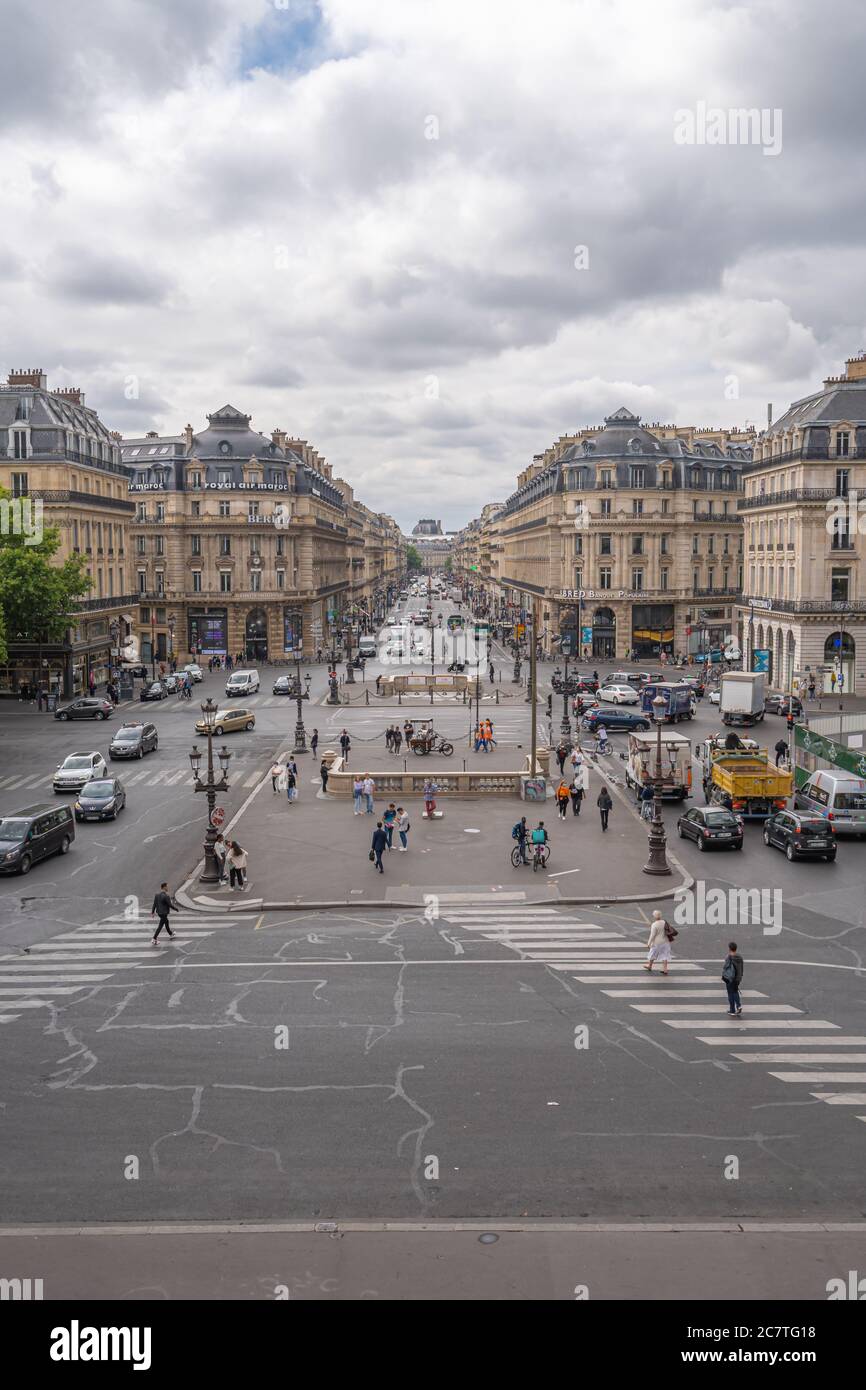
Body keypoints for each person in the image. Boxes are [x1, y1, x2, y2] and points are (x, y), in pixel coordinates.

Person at [643, 909, 673, 975]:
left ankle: (649, 966)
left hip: (657, 942)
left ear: (654, 916)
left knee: (652, 953)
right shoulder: (664, 922)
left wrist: (648, 943)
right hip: (665, 941)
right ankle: (665, 969)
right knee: (665, 955)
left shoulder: (654, 924)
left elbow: (652, 935)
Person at [722, 941, 744, 1016]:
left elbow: (725, 967)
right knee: (735, 991)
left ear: (729, 949)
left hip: (730, 978)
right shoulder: (740, 957)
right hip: (737, 978)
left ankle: (732, 1009)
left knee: (730, 993)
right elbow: (741, 968)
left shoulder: (729, 957)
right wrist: (740, 977)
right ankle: (738, 1005)